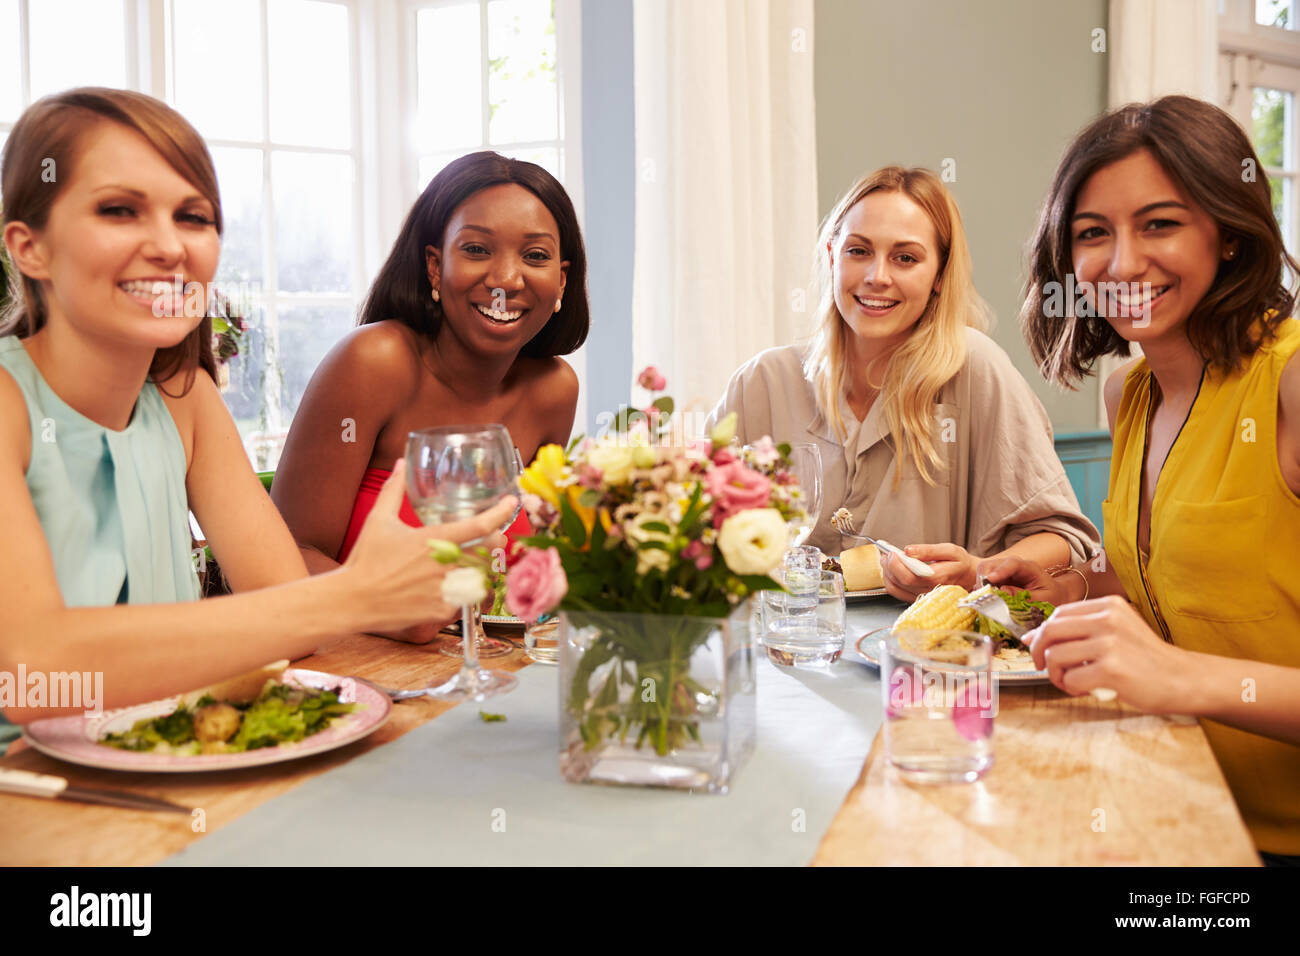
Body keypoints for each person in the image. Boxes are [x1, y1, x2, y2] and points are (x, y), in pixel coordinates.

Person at [0, 88, 514, 751]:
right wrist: (357, 595)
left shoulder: (183, 399)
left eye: (193, 217)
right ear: (29, 247)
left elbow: (290, 614)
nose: (168, 246)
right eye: (120, 210)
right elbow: (32, 669)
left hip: (152, 763)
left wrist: (371, 595)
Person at [989, 94, 1300, 863]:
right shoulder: (1128, 393)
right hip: (1176, 809)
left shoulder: (1290, 380)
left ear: (1228, 231)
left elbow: (1173, 661)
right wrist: (1052, 585)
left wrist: (1179, 678)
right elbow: (1165, 597)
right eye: (1093, 234)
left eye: (1159, 224)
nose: (1122, 263)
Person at [707, 166, 1097, 600]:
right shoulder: (762, 383)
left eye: (905, 258)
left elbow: (1065, 540)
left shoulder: (976, 370)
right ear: (833, 256)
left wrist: (976, 571)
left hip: (927, 654)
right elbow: (694, 527)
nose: (878, 276)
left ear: (939, 276)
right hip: (787, 648)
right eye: (859, 251)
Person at [270, 152, 587, 643]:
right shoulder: (374, 362)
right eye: (477, 249)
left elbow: (518, 578)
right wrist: (386, 609)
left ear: (562, 280)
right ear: (435, 267)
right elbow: (284, 557)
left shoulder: (553, 391)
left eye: (536, 256)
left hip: (486, 678)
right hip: (359, 676)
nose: (506, 279)